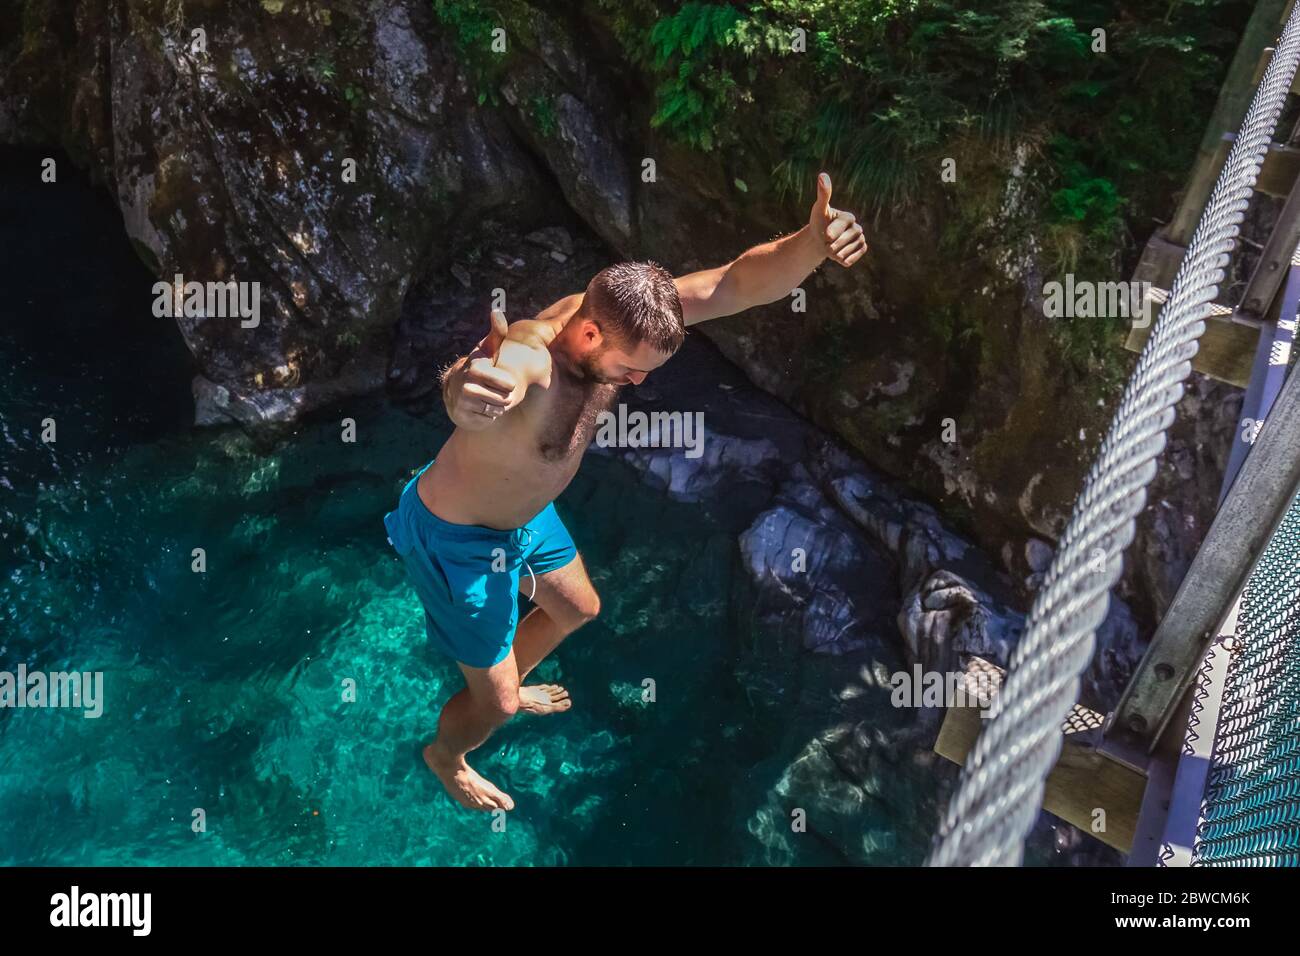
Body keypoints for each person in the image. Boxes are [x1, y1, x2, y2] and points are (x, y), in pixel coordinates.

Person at [384, 173, 867, 810]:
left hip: (522, 517)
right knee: (496, 704)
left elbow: (735, 283)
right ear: (587, 336)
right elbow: (487, 379)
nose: (638, 380)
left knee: (578, 609)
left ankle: (505, 673)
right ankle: (448, 754)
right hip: (458, 540)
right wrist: (467, 391)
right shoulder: (534, 354)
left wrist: (810, 245)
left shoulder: (626, 321)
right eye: (629, 368)